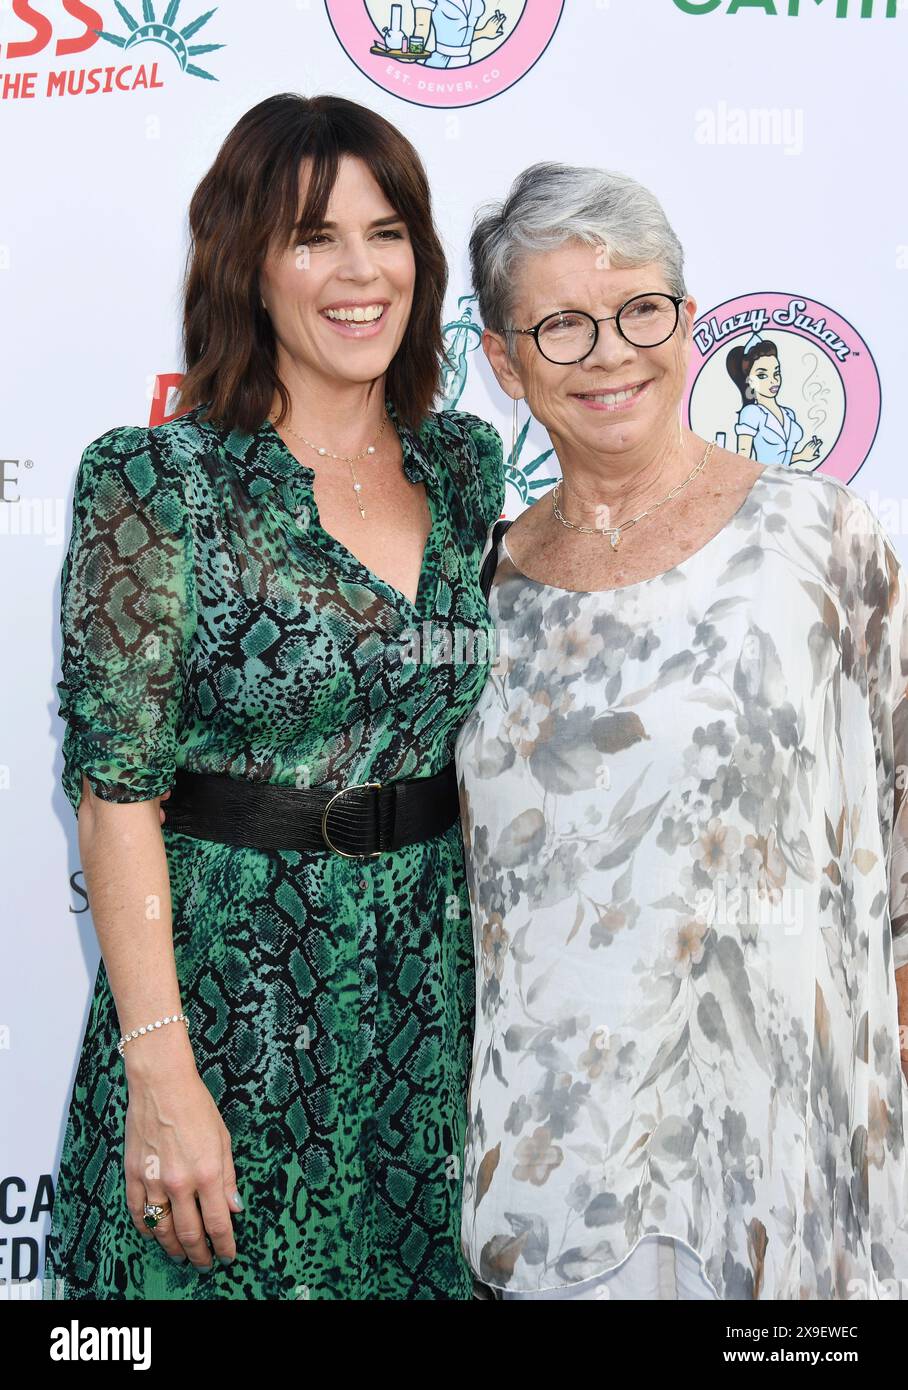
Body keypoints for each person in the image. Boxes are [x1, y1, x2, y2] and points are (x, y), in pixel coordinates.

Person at [47, 92, 504, 1301]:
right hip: (226, 1000)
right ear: (248, 268)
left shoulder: (463, 468)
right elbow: (115, 789)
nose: (360, 272)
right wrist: (162, 1072)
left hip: (424, 1009)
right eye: (312, 238)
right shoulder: (154, 480)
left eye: (385, 231)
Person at [454, 161, 908, 1300]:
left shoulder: (821, 537)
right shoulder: (475, 587)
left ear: (687, 322)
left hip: (792, 1146)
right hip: (564, 1165)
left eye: (638, 308)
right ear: (504, 362)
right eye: (560, 325)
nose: (609, 351)